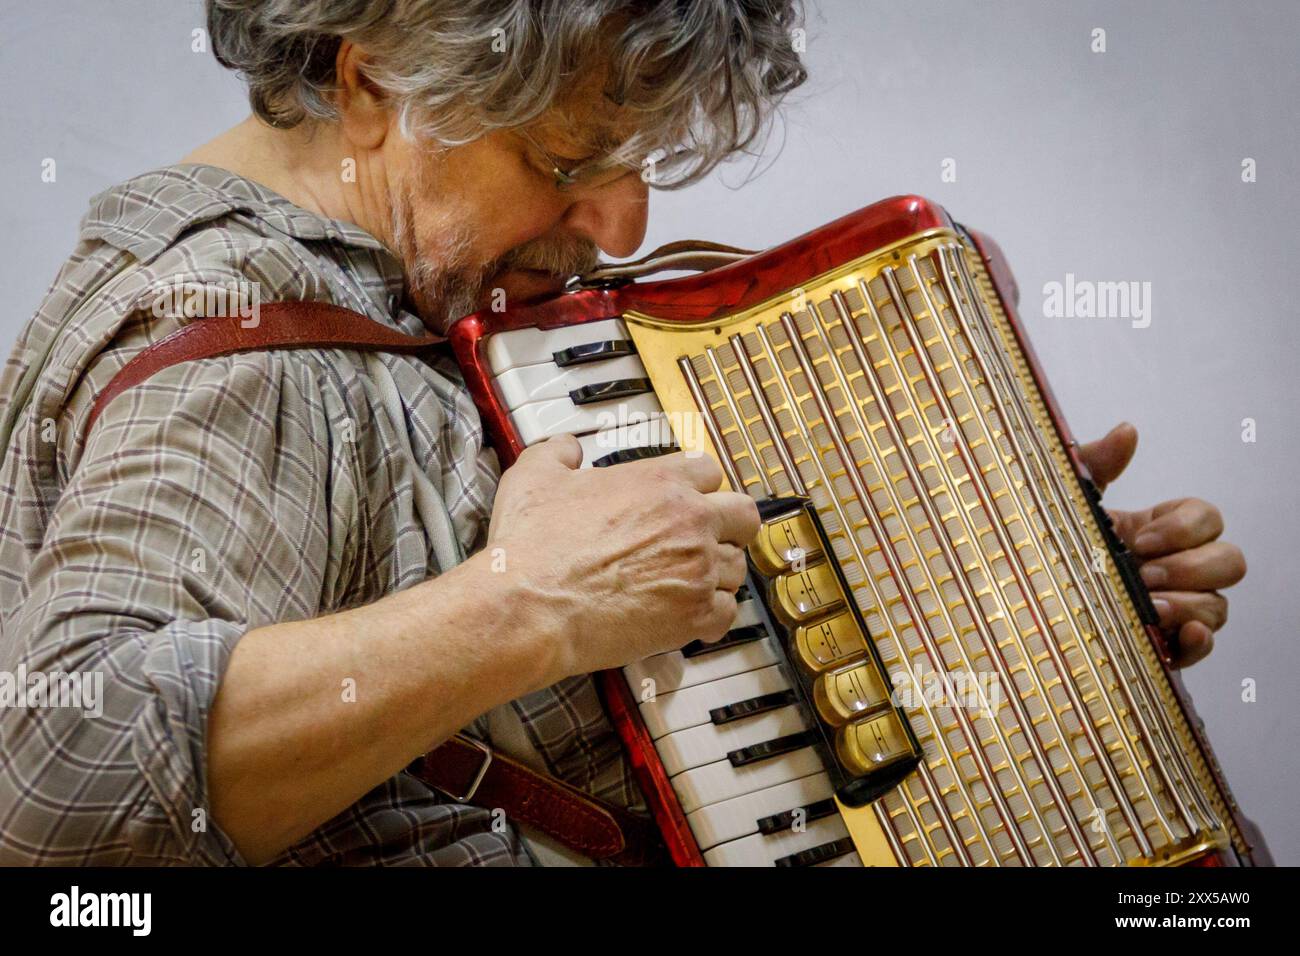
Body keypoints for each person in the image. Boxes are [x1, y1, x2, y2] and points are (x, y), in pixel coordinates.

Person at [0, 0, 1245, 866]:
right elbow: (57, 783)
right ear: (370, 79)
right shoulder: (243, 353)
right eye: (567, 156)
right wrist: (528, 600)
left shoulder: (382, 294)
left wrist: (1001, 596)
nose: (622, 225)